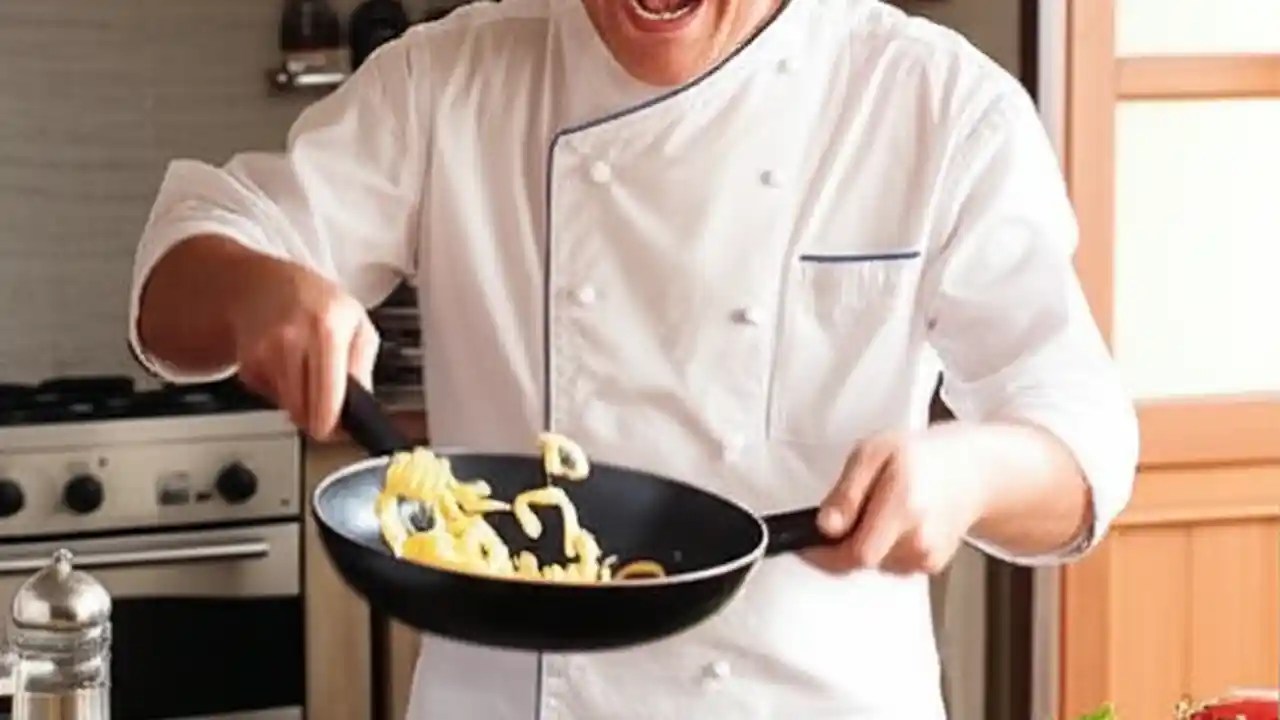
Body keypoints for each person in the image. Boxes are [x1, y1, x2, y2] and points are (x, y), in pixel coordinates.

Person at [128, 0, 1139, 717]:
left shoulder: (930, 102)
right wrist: (253, 287)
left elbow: (1082, 441)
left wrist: (966, 470)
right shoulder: (451, 78)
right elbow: (181, 275)